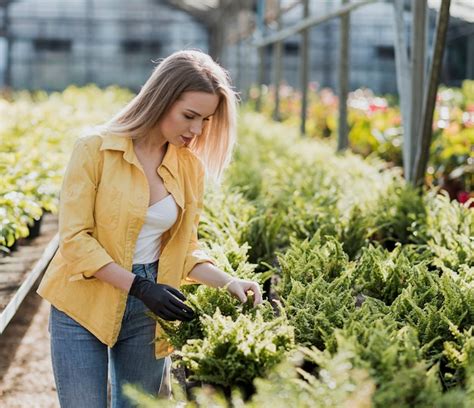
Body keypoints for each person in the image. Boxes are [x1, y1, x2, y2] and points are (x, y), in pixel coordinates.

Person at [36, 49, 263, 408]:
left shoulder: (188, 167)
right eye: (189, 116)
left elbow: (184, 248)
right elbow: (75, 241)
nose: (196, 130)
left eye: (205, 120)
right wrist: (140, 287)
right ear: (160, 100)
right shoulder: (95, 149)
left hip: (148, 309)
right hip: (83, 299)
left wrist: (229, 281)